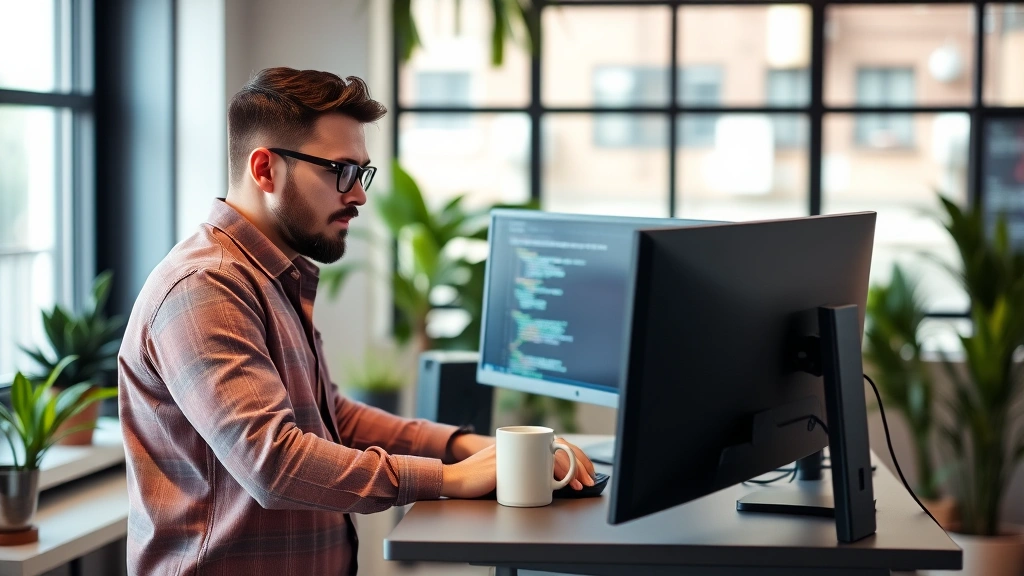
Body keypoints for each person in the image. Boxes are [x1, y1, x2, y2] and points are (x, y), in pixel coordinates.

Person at [118, 67, 596, 575]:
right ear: (265, 170)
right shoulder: (205, 288)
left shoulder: (272, 276)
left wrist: (471, 447)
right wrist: (450, 479)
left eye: (362, 173)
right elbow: (272, 464)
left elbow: (331, 418)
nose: (360, 195)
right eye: (342, 171)